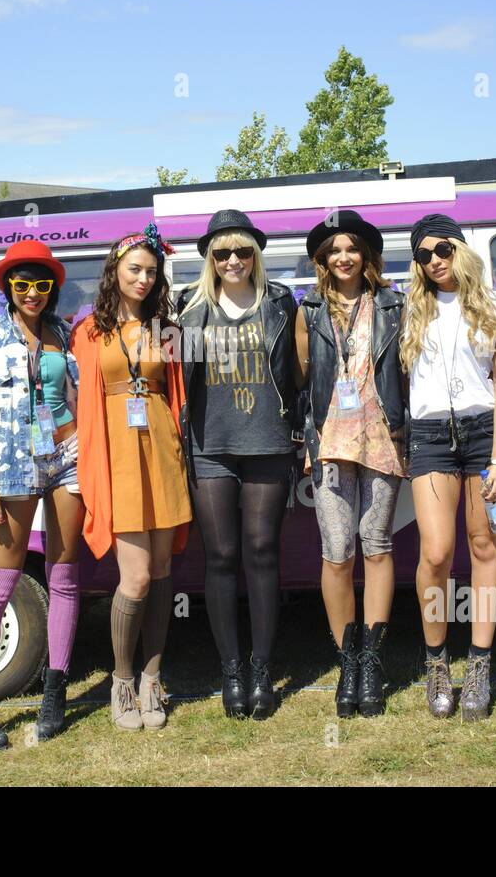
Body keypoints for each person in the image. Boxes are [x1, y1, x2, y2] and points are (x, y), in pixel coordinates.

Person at [0, 240, 84, 749]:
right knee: (1, 580)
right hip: (10, 469)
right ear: (7, 287)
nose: (32, 293)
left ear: (53, 288)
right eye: (22, 284)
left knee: (66, 576)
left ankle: (56, 690)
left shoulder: (66, 335)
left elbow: (74, 397)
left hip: (67, 458)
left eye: (42, 284)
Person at [177, 209, 298, 719]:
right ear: (210, 258)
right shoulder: (188, 308)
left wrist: (306, 431)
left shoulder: (279, 303)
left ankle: (263, 668)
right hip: (211, 446)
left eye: (242, 251)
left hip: (268, 442)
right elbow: (172, 379)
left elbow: (301, 369)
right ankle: (232, 670)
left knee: (262, 552)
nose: (233, 260)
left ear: (256, 256)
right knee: (221, 555)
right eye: (222, 252)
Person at [71, 223, 191, 731]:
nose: (143, 278)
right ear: (114, 272)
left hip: (160, 448)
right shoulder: (88, 330)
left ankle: (152, 677)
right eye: (134, 269)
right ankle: (122, 681)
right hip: (116, 452)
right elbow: (80, 405)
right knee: (136, 576)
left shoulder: (168, 328)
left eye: (151, 271)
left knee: (162, 572)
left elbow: (180, 392)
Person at [401, 213, 496, 722]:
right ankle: (436, 663)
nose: (434, 261)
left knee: (483, 544)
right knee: (437, 551)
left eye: (442, 250)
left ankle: (480, 666)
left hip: (480, 435)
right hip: (429, 438)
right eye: (423, 255)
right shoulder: (407, 307)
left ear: (461, 249)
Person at [294, 210, 406, 718]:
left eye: (352, 249)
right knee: (337, 550)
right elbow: (299, 379)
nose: (343, 257)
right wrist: (304, 441)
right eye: (334, 250)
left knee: (377, 545)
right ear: (323, 259)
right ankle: (347, 661)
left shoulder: (393, 304)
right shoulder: (310, 309)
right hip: (330, 442)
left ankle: (372, 662)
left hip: (381, 437)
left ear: (366, 256)